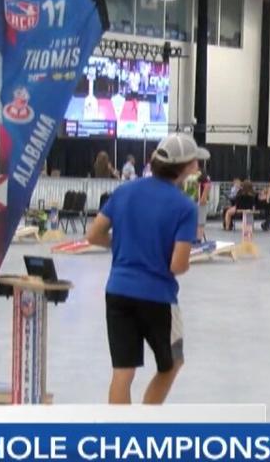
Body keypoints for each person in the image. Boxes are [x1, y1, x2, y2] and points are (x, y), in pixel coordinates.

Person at [86, 134, 207, 405]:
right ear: (186, 166)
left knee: (123, 372)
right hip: (157, 297)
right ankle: (146, 420)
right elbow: (178, 264)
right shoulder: (184, 207)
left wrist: (124, 245)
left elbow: (93, 235)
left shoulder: (125, 191)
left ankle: (119, 438)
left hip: (117, 291)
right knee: (173, 362)